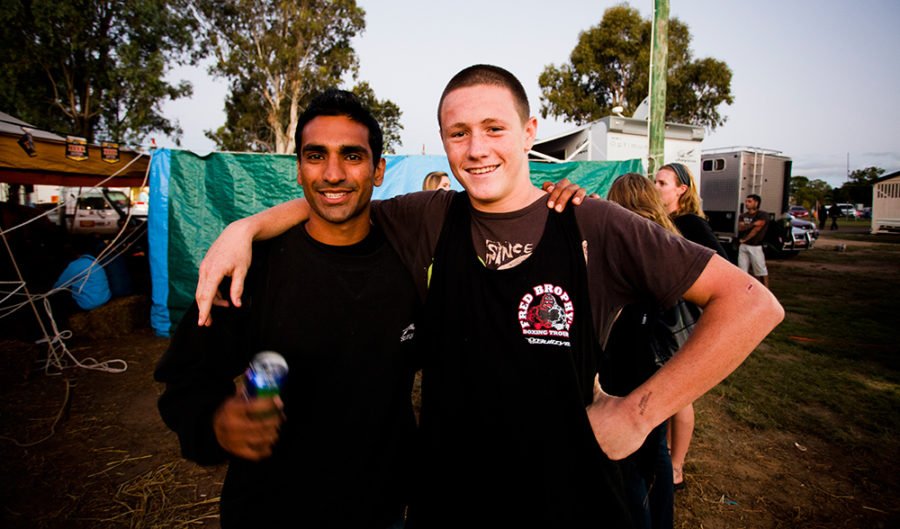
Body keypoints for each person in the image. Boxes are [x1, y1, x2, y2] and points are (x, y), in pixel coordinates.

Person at [196, 64, 784, 528]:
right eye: (459, 133)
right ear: (444, 143)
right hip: (449, 503)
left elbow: (751, 304)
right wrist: (243, 229)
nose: (476, 149)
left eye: (494, 129)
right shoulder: (430, 217)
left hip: (569, 502)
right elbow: (336, 198)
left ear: (530, 133)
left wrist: (640, 411)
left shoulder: (594, 225)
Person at [155, 89, 424, 529]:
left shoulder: (411, 264)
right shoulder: (249, 270)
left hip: (381, 509)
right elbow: (185, 380)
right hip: (268, 510)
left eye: (352, 156)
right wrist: (217, 424)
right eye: (316, 155)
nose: (332, 174)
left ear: (379, 170)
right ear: (298, 170)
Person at [604, 172, 683, 529]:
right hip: (660, 359)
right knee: (656, 447)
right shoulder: (669, 237)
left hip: (628, 359)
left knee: (627, 457)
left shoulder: (627, 239)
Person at [654, 163, 730, 492]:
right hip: (665, 318)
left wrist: (686, 284)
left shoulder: (691, 224)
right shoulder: (666, 221)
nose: (655, 186)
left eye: (661, 182)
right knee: (668, 392)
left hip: (682, 320)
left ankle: (676, 467)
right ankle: (668, 455)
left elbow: (722, 264)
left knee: (680, 394)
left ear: (680, 190)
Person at [737, 194, 770, 288]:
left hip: (755, 246)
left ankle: (765, 290)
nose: (747, 204)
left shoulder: (762, 215)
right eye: (746, 201)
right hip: (743, 246)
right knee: (742, 269)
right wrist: (753, 224)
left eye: (749, 201)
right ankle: (744, 288)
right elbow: (741, 227)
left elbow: (757, 229)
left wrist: (745, 239)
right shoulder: (743, 215)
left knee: (760, 270)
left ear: (756, 203)